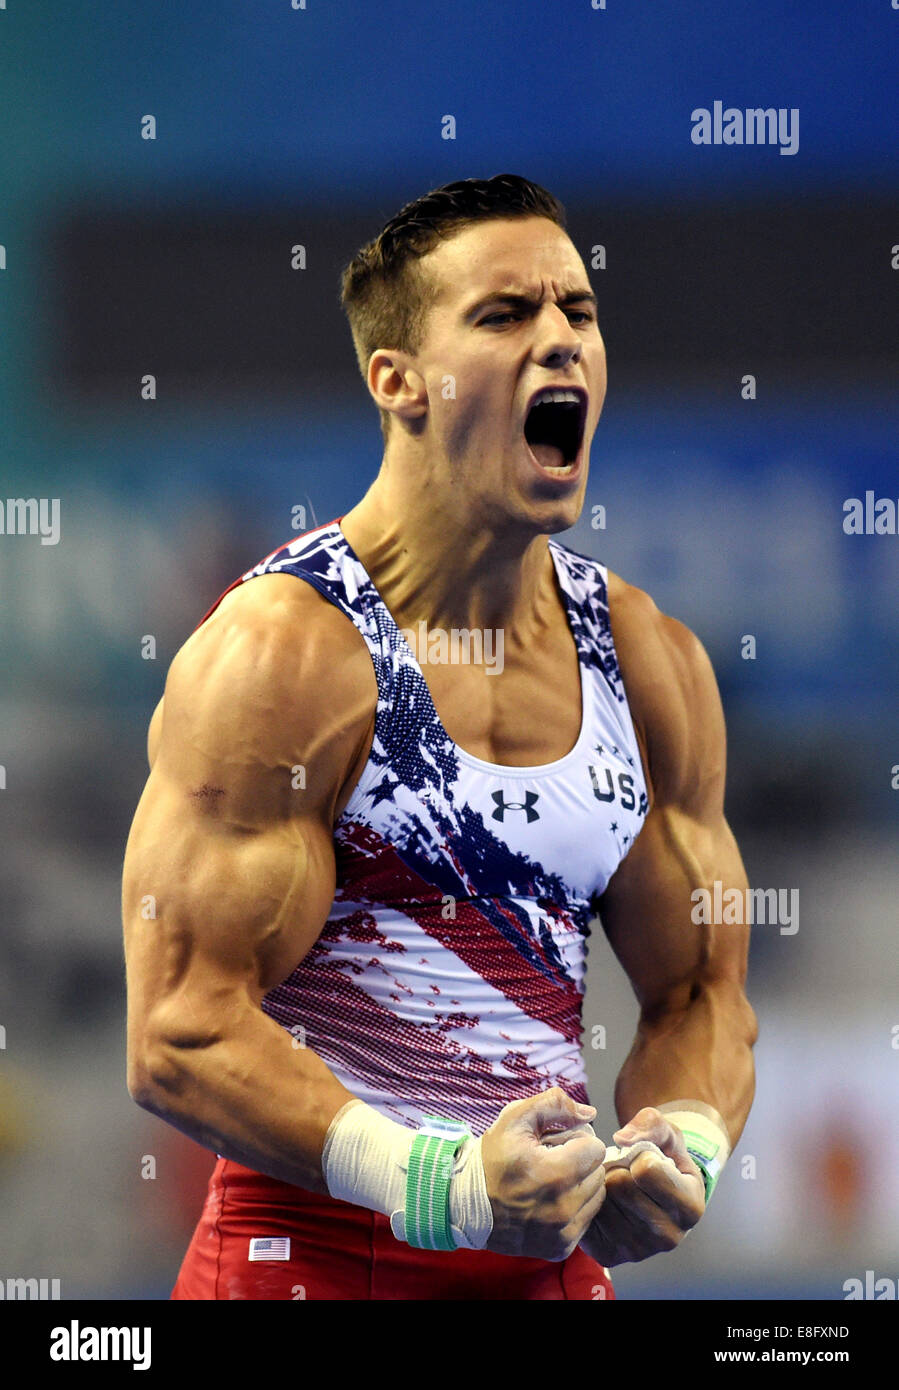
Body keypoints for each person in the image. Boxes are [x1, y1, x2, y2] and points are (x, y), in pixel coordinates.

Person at [122, 173, 757, 1300]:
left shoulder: (648, 662)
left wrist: (684, 1145)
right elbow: (178, 1032)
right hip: (310, 1257)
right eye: (505, 314)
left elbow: (697, 995)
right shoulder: (286, 658)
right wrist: (446, 1186)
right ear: (397, 380)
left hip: (535, 1269)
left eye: (578, 311)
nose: (558, 340)